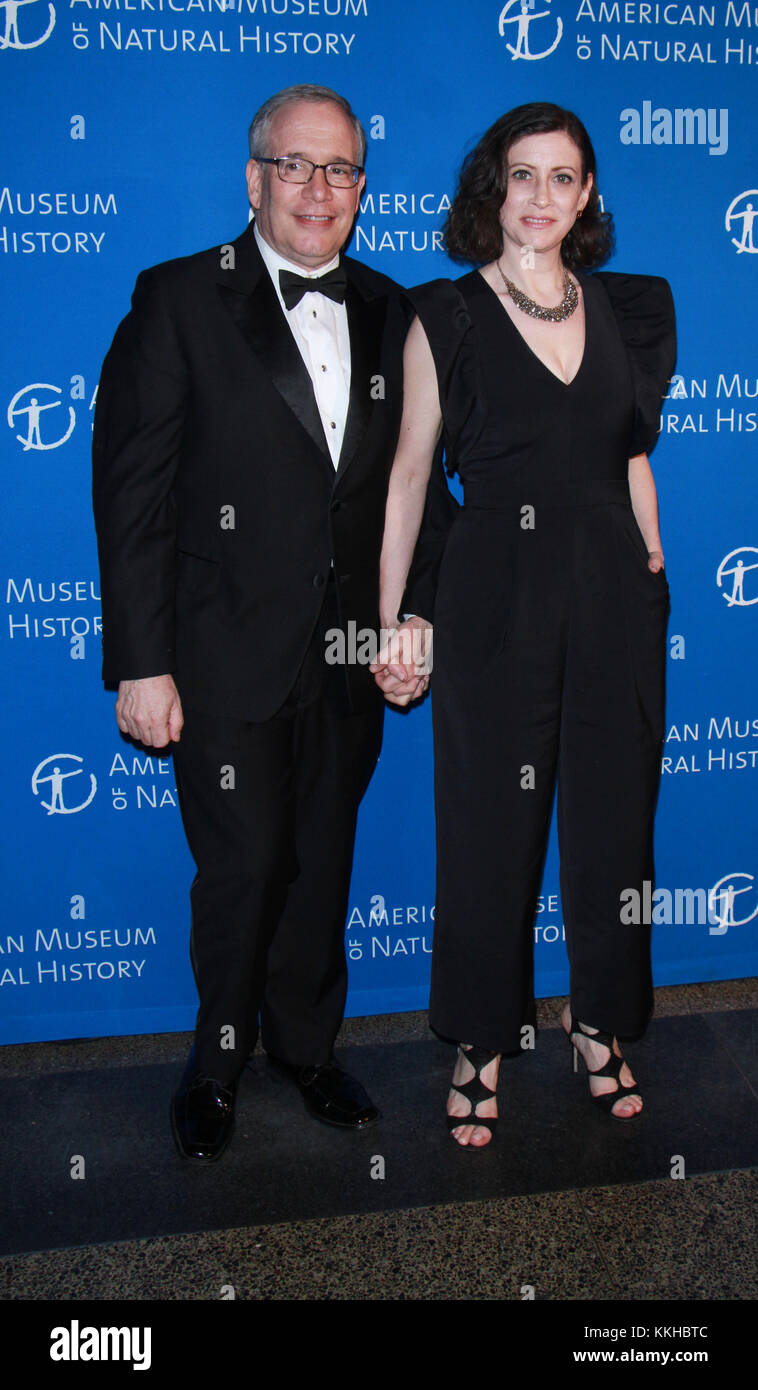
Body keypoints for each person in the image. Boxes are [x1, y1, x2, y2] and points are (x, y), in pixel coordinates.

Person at [92, 84, 440, 1162]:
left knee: (320, 861)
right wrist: (141, 663)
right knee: (243, 867)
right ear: (254, 178)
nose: (317, 189)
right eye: (295, 165)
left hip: (344, 656)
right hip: (220, 651)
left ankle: (305, 1047)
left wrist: (409, 611)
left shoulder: (393, 310)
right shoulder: (179, 298)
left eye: (338, 169)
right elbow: (132, 495)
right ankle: (217, 1063)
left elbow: (414, 489)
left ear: (361, 188)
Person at [373, 102, 676, 1147]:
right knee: (488, 826)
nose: (540, 196)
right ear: (488, 191)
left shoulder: (634, 308)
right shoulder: (441, 313)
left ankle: (598, 1020)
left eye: (561, 176)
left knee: (613, 820)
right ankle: (480, 1036)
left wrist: (649, 557)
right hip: (491, 585)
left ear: (586, 193)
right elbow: (409, 474)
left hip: (610, 585)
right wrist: (393, 617)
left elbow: (631, 453)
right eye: (520, 175)